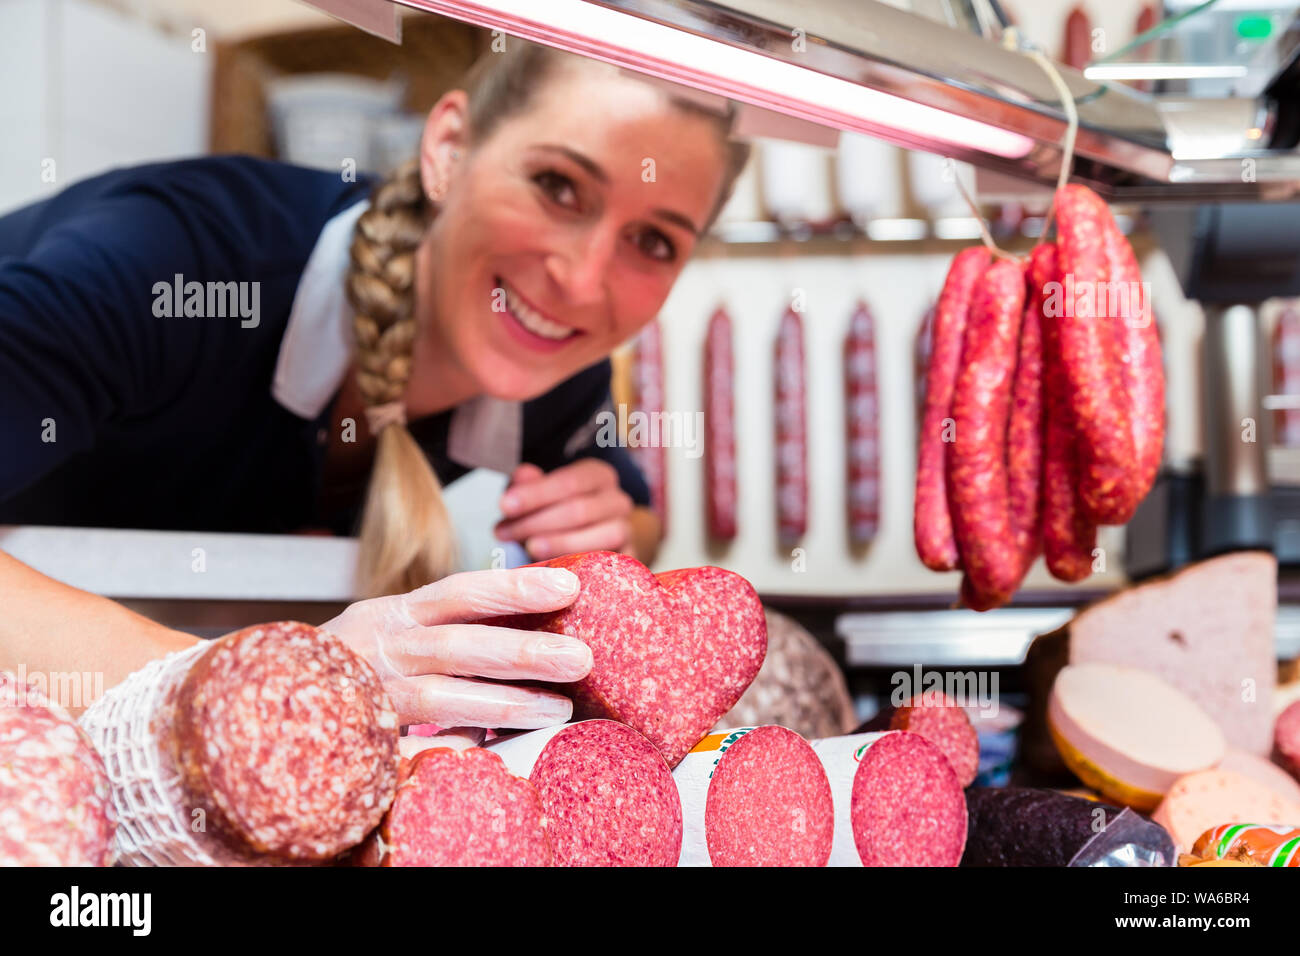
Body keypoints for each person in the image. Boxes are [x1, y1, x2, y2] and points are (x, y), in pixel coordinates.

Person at [0, 41, 751, 723]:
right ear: (449, 148)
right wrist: (284, 686)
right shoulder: (171, 264)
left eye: (652, 240)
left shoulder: (550, 369)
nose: (583, 282)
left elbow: (634, 509)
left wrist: (610, 525)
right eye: (558, 186)